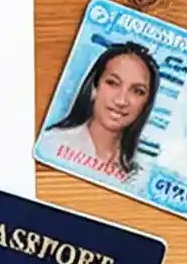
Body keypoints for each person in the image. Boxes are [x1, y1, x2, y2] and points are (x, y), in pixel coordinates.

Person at [38, 42, 160, 181]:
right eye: (113, 83)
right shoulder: (51, 144)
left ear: (146, 104)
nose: (121, 101)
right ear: (94, 88)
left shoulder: (140, 174)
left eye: (137, 91)